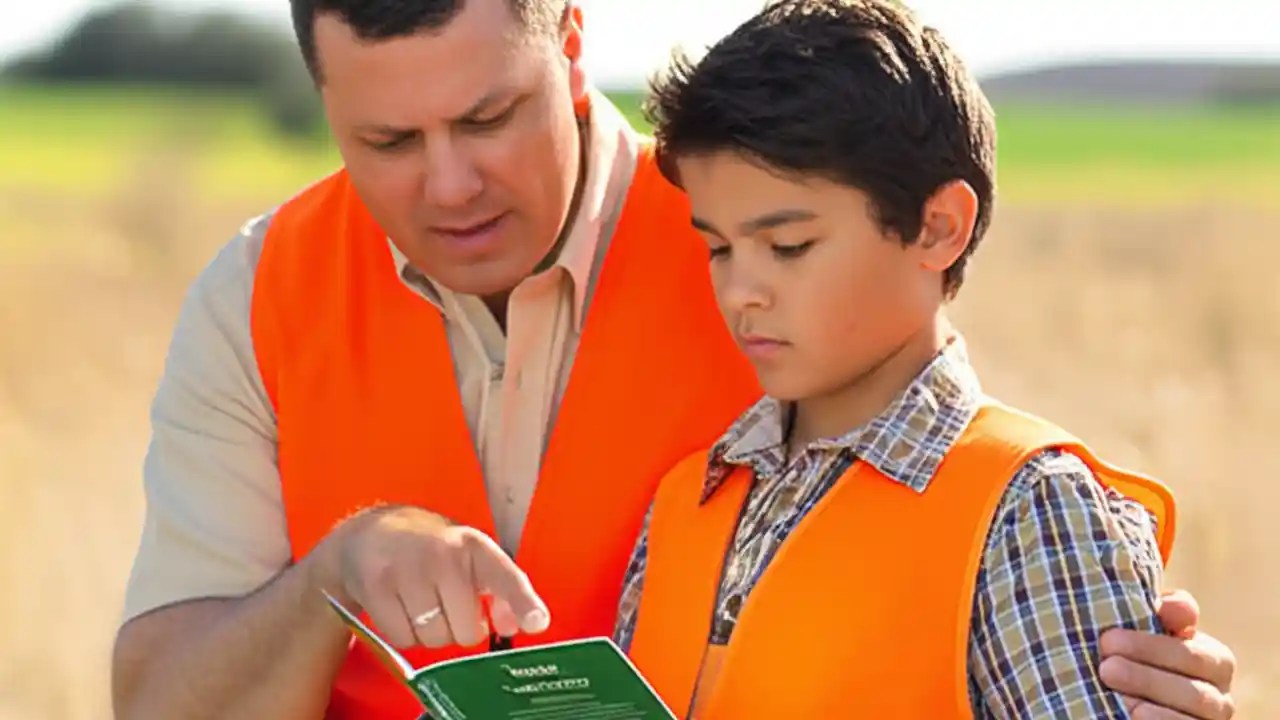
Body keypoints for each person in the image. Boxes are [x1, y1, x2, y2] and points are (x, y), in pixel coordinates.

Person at [109, 1, 1237, 718]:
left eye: (490, 117)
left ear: (570, 39)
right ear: (321, 101)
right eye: (388, 142)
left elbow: (948, 507)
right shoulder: (260, 294)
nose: (447, 184)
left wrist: (1089, 618)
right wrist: (333, 578)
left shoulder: (773, 225)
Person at [610, 2, 1236, 718]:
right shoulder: (688, 502)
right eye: (719, 248)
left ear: (939, 228)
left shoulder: (1028, 511)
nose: (740, 292)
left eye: (788, 247)